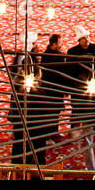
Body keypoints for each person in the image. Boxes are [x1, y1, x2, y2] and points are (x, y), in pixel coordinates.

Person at [65, 25, 95, 170]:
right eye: (83, 39)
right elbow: (70, 76)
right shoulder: (72, 53)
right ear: (79, 40)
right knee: (88, 136)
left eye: (87, 37)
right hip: (84, 102)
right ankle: (91, 168)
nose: (86, 41)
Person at [30, 32, 68, 163]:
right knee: (50, 112)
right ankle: (48, 134)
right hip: (51, 89)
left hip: (57, 89)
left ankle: (54, 131)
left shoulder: (57, 54)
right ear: (53, 44)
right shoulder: (47, 56)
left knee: (57, 111)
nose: (61, 44)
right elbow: (53, 73)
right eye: (59, 42)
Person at [7, 33, 40, 166]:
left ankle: (18, 164)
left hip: (21, 109)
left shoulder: (19, 57)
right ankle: (23, 164)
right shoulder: (30, 60)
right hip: (28, 109)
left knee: (20, 140)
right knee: (26, 139)